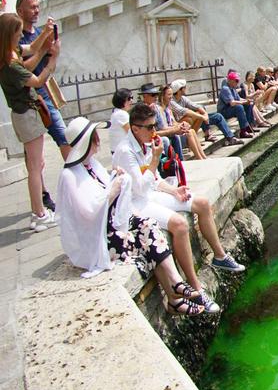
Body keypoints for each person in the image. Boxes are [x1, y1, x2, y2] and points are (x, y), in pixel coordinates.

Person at [54, 116, 204, 317]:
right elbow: (88, 212)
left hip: (111, 224)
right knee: (146, 240)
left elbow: (104, 192)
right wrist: (113, 189)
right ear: (86, 142)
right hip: (97, 237)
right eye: (94, 137)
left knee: (149, 225)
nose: (98, 141)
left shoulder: (92, 165)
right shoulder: (69, 175)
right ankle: (175, 296)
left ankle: (176, 287)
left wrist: (115, 178)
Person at [113, 102, 245, 283]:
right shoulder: (125, 151)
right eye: (150, 127)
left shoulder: (144, 142)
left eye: (155, 125)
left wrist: (173, 190)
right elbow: (140, 188)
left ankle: (220, 256)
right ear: (135, 129)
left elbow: (155, 179)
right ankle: (195, 285)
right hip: (135, 203)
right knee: (180, 225)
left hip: (150, 195)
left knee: (202, 203)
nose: (154, 131)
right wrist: (155, 158)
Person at [1, 13, 59, 232]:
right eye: (18, 33)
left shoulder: (11, 52)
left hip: (25, 113)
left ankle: (38, 212)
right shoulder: (10, 65)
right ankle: (39, 214)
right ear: (10, 34)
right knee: (35, 168)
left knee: (37, 164)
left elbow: (33, 48)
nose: (20, 36)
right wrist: (52, 60)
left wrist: (45, 35)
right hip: (26, 114)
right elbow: (37, 80)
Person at [170, 79, 240, 146]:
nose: (186, 89)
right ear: (180, 90)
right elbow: (184, 111)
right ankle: (192, 140)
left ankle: (230, 138)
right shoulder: (171, 101)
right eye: (184, 87)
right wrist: (203, 117)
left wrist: (205, 115)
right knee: (192, 117)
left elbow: (197, 106)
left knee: (217, 116)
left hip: (192, 122)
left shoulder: (183, 98)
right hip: (179, 124)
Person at [217, 71, 256, 138]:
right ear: (230, 80)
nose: (237, 82)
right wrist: (244, 102)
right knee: (239, 107)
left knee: (249, 105)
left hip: (230, 109)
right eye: (236, 81)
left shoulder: (233, 88)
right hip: (224, 111)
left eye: (238, 81)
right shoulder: (225, 89)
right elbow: (232, 103)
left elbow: (239, 99)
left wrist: (247, 101)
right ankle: (243, 131)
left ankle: (249, 125)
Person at [108, 88, 133, 152]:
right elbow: (131, 132)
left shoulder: (117, 112)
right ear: (122, 100)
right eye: (129, 98)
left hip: (118, 149)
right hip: (122, 151)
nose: (131, 100)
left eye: (132, 98)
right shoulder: (121, 114)